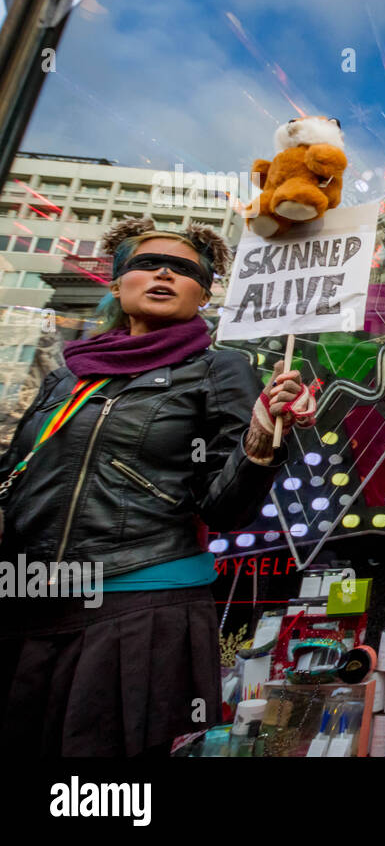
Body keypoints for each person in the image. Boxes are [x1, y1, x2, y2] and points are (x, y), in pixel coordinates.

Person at [0, 216, 316, 755]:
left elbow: (225, 510)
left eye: (183, 270)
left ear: (204, 294)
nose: (164, 274)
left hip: (138, 607)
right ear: (118, 281)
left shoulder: (218, 369)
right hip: (27, 604)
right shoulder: (65, 376)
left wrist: (262, 434)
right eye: (147, 264)